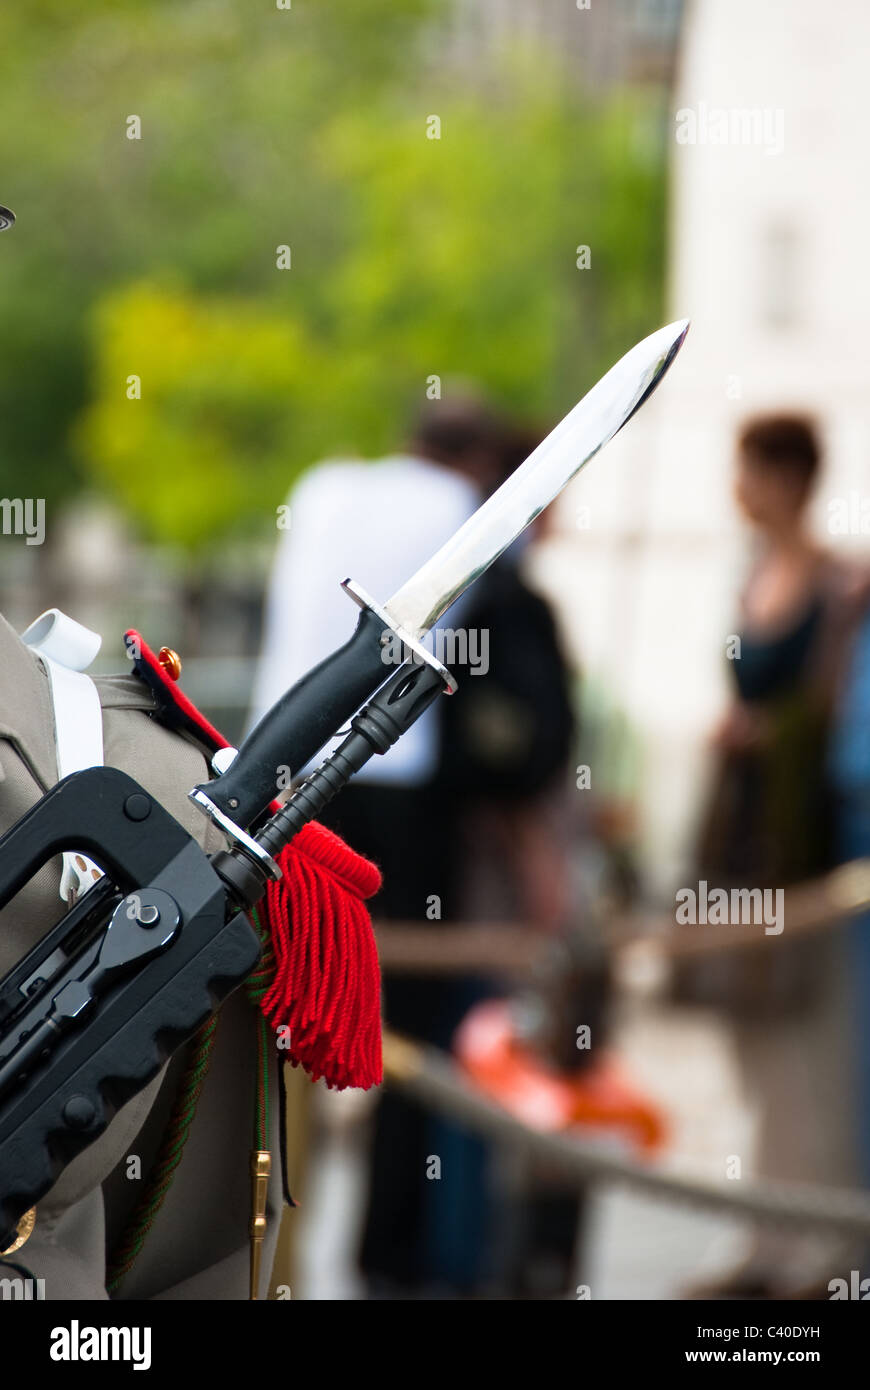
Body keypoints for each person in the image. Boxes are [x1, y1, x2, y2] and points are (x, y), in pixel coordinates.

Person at [683, 413, 864, 1296]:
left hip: (807, 838)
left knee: (811, 1042)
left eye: (751, 468)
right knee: (752, 1037)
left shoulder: (841, 586)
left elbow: (830, 714)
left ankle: (819, 1239)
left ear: (789, 478)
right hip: (744, 833)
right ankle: (765, 1234)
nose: (739, 485)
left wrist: (771, 730)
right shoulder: (750, 576)